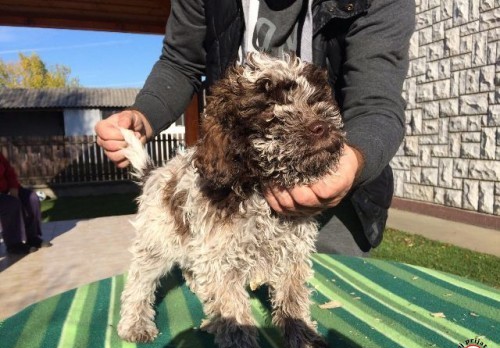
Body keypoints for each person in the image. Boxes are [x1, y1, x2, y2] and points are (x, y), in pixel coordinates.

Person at [95, 0, 415, 256]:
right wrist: (144, 113)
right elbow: (180, 61)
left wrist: (353, 161)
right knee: (225, 298)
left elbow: (377, 103)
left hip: (329, 186)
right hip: (235, 185)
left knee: (320, 311)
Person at [0, 152, 51, 254]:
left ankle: (32, 237)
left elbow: (9, 171)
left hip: (6, 189)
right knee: (10, 203)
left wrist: (13, 187)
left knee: (32, 199)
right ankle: (14, 244)